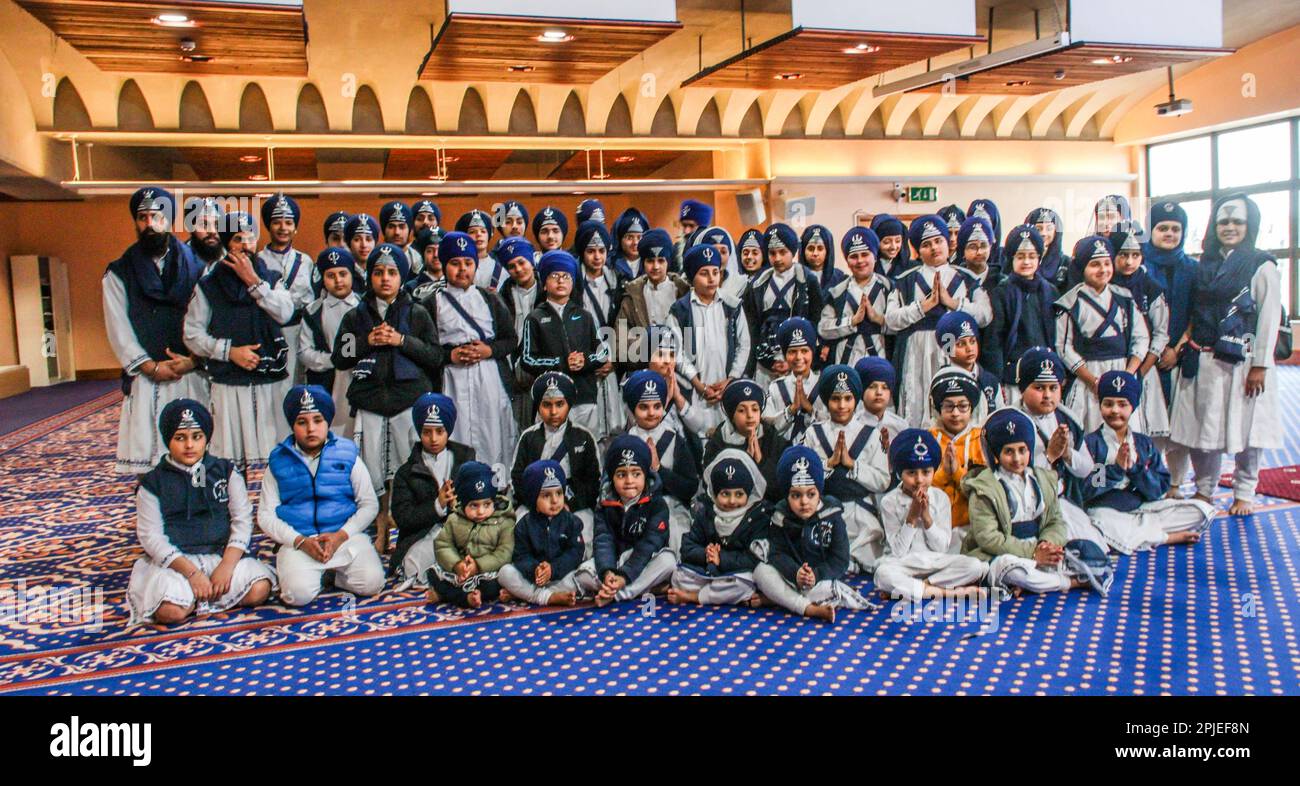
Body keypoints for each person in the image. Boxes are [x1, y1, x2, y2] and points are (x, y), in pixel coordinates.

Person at [1169, 192, 1282, 517]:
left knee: (1247, 430)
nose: (1229, 227)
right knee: (1204, 430)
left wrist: (1260, 365)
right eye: (1223, 221)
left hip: (1245, 363)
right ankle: (1205, 490)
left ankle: (1245, 491)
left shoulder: (1262, 265)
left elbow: (1269, 319)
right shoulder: (1204, 264)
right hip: (1205, 359)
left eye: (1237, 222)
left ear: (1250, 225)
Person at [332, 243, 441, 552]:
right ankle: (379, 525)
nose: (384, 279)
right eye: (378, 272)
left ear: (401, 276)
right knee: (372, 471)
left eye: (392, 272)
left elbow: (434, 356)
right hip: (370, 404)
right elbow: (341, 356)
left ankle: (406, 525)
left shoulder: (417, 312)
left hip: (408, 402)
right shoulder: (356, 317)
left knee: (407, 469)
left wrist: (401, 340)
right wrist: (366, 342)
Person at [127, 399, 276, 625]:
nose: (189, 445)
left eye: (196, 437)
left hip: (220, 555)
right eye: (180, 438)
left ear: (206, 438)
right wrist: (193, 575)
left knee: (259, 590)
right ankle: (195, 596)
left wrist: (227, 566)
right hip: (178, 563)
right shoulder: (153, 483)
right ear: (168, 440)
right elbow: (151, 537)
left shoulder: (225, 471)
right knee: (171, 613)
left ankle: (201, 597)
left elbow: (242, 520)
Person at [104, 186, 207, 474]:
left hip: (190, 373)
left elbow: (208, 318)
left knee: (195, 448)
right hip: (146, 376)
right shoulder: (118, 272)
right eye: (143, 217)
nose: (150, 224)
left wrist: (193, 361)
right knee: (150, 456)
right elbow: (118, 327)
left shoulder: (197, 266)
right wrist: (149, 366)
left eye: (157, 216)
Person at [183, 211, 294, 470]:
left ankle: (272, 510)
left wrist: (254, 283)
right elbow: (191, 334)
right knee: (230, 460)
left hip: (270, 381)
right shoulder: (208, 285)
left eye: (250, 237)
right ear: (225, 243)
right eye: (237, 238)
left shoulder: (271, 277)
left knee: (276, 456)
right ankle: (235, 510)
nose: (245, 245)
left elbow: (285, 313)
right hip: (229, 383)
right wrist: (228, 352)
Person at [257, 385, 384, 607]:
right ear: (292, 425)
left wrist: (340, 536)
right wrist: (299, 541)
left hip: (343, 538)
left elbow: (368, 504)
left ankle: (331, 574)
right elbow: (265, 516)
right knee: (296, 596)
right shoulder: (278, 461)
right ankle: (312, 572)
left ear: (327, 422)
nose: (311, 429)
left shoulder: (347, 453)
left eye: (318, 420)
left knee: (372, 583)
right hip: (300, 540)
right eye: (302, 422)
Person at [1080, 371, 1214, 553]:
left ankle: (1141, 534)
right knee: (1099, 524)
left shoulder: (1143, 443)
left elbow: (1159, 489)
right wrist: (1116, 469)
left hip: (1142, 508)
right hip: (1105, 512)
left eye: (1122, 404)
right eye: (1108, 404)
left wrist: (1136, 470)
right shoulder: (1092, 443)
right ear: (1100, 405)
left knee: (1200, 509)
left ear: (1132, 407)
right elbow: (1087, 490)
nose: (1115, 410)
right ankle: (1166, 537)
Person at [961, 407, 1091, 595]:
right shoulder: (984, 487)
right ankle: (1068, 583)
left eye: (1022, 450)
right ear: (996, 454)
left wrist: (1047, 545)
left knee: (1083, 555)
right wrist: (1033, 553)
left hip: (1039, 547)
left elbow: (1055, 521)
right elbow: (988, 538)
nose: (1017, 459)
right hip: (1000, 553)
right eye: (1008, 452)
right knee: (1015, 569)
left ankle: (1033, 581)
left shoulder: (1043, 479)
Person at [422, 231, 518, 469]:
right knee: (458, 432)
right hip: (451, 379)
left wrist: (489, 350)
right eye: (455, 263)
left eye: (468, 263)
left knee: (492, 434)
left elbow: (510, 339)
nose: (462, 269)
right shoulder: (431, 303)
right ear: (444, 266)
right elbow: (425, 349)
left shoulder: (490, 299)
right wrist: (449, 356)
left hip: (489, 378)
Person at [884, 214, 989, 427]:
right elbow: (891, 320)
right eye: (926, 244)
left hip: (953, 343)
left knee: (952, 397)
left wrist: (952, 303)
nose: (934, 248)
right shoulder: (906, 280)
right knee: (917, 400)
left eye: (938, 241)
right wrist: (923, 307)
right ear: (917, 250)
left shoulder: (966, 278)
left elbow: (985, 315)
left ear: (948, 244)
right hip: (917, 347)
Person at [752, 445, 875, 623]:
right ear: (786, 495)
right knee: (761, 572)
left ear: (820, 492)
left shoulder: (832, 516)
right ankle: (807, 607)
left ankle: (781, 600)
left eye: (811, 494)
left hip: (819, 579)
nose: (804, 502)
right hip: (791, 577)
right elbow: (777, 553)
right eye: (796, 495)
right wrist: (796, 573)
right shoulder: (780, 516)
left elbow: (840, 559)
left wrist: (815, 575)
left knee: (826, 589)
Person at [874, 428, 988, 602]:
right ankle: (949, 593)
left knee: (975, 566)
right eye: (911, 473)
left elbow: (942, 547)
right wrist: (912, 517)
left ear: (934, 471)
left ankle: (920, 587)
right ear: (899, 473)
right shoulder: (889, 501)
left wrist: (926, 518)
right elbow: (898, 551)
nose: (919, 480)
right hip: (906, 564)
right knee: (882, 574)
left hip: (936, 562)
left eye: (926, 472)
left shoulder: (940, 498)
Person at [1011, 347, 1107, 548]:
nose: (1047, 395)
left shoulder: (1068, 418)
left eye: (1053, 388)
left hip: (1060, 500)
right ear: (1022, 388)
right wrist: (1049, 456)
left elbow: (1087, 469)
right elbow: (1010, 476)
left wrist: (1067, 454)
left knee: (1091, 546)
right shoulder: (1011, 421)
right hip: (1024, 506)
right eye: (1039, 388)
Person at [799, 364, 891, 574]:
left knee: (872, 564)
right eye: (835, 399)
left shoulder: (871, 434)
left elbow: (883, 480)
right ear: (826, 400)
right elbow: (803, 478)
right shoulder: (814, 433)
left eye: (848, 399)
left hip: (861, 515)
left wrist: (853, 465)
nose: (842, 405)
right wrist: (828, 464)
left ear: (856, 400)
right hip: (825, 512)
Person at [1056, 235, 1150, 433]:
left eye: (1107, 263)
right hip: (1088, 378)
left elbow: (1140, 338)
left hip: (1121, 370)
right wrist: (1094, 381)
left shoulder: (1124, 297)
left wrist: (1128, 373)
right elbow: (1064, 348)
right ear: (1082, 268)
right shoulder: (1070, 302)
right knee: (1090, 432)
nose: (1103, 269)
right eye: (1095, 264)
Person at [575, 435, 679, 607]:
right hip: (614, 561)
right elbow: (603, 541)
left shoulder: (657, 504)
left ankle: (618, 594)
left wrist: (624, 577)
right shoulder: (604, 504)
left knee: (668, 561)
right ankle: (636, 588)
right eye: (621, 474)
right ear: (612, 477)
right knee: (582, 575)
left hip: (642, 562)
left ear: (646, 474)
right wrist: (608, 572)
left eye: (636, 474)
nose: (629, 481)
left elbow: (649, 545)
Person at [519, 250, 610, 440]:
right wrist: (561, 363)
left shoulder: (585, 316)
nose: (561, 281)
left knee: (587, 451)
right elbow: (527, 359)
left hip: (584, 397)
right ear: (544, 284)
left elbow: (602, 353)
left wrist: (584, 361)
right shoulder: (534, 318)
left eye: (566, 276)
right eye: (554, 276)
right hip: (549, 400)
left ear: (573, 283)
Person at [391, 392, 476, 587]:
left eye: (440, 431)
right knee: (414, 565)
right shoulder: (406, 473)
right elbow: (403, 517)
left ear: (449, 430)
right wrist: (438, 505)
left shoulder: (465, 459)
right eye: (427, 432)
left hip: (464, 531)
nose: (434, 439)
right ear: (419, 432)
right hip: (426, 534)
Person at [668, 449, 772, 607]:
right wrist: (707, 554)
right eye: (725, 494)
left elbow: (753, 558)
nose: (732, 501)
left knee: (745, 583)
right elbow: (687, 546)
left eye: (739, 494)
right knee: (678, 576)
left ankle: (695, 597)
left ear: (748, 494)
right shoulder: (707, 513)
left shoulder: (757, 516)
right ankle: (715, 595)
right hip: (709, 571)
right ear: (714, 494)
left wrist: (721, 558)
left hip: (737, 574)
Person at [1142, 200, 1198, 491]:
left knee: (1180, 425)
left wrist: (1176, 348)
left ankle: (1176, 484)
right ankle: (1150, 482)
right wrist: (1152, 350)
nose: (1170, 234)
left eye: (1176, 229)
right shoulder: (1137, 265)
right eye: (1162, 228)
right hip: (1145, 359)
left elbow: (1196, 314)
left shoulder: (1192, 268)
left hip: (1179, 357)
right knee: (1149, 424)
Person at [510, 371, 600, 550]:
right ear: (538, 406)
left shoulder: (583, 436)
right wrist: (537, 503)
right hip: (535, 503)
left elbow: (593, 482)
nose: (553, 411)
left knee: (585, 533)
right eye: (546, 405)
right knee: (518, 530)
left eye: (560, 404)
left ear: (569, 404)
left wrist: (568, 503)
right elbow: (517, 478)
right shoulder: (528, 437)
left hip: (573, 503)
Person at [667, 244, 751, 435]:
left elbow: (744, 344)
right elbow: (677, 352)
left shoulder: (732, 305)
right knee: (698, 437)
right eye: (704, 273)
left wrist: (731, 379)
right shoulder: (680, 310)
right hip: (695, 389)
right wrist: (698, 383)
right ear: (691, 277)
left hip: (726, 387)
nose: (712, 278)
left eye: (716, 272)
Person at [622, 369, 699, 553]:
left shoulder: (674, 439)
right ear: (633, 408)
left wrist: (658, 470)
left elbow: (690, 487)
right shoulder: (624, 443)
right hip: (633, 509)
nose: (651, 413)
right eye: (644, 407)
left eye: (657, 406)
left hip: (670, 507)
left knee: (676, 538)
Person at [983, 225, 1057, 406]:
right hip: (1013, 375)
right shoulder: (1002, 292)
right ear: (1011, 258)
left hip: (1045, 372)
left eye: (1032, 257)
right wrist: (996, 378)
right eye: (1020, 257)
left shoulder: (1050, 291)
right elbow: (995, 340)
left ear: (1040, 258)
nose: (1026, 262)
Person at [743, 223, 824, 388]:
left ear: (793, 252)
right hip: (765, 360)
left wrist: (797, 359)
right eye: (772, 253)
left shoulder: (808, 281)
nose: (777, 258)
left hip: (799, 358)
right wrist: (767, 360)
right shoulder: (757, 285)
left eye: (783, 252)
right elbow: (752, 327)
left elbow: (816, 321)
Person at [1110, 225, 1171, 440]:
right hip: (1110, 365)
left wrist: (1141, 371)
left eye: (1135, 255)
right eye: (1123, 255)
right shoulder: (1103, 285)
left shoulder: (1150, 287)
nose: (1129, 262)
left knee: (1142, 433)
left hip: (1142, 368)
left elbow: (1161, 332)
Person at [427, 461, 515, 609]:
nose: (481, 511)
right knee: (432, 574)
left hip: (486, 571)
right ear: (463, 502)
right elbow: (443, 545)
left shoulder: (504, 521)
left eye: (487, 504)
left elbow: (504, 553)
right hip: (461, 571)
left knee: (495, 583)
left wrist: (478, 566)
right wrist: (457, 565)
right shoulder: (455, 519)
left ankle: (452, 596)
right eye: (474, 505)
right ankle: (463, 597)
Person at [497, 460, 585, 607]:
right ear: (533, 498)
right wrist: (535, 569)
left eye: (559, 493)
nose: (555, 500)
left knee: (582, 576)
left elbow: (575, 553)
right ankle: (547, 597)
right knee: (505, 573)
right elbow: (521, 556)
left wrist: (553, 570)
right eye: (546, 495)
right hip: (535, 578)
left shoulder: (572, 522)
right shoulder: (524, 525)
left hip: (561, 576)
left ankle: (526, 595)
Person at [299, 248, 362, 438]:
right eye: (331, 275)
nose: (338, 280)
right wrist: (332, 360)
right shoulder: (313, 311)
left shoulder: (364, 307)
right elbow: (304, 351)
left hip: (358, 382)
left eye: (343, 274)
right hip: (327, 381)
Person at [572, 220, 624, 440]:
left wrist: (614, 358)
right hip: (584, 366)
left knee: (615, 426)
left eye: (601, 251)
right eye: (591, 251)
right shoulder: (573, 285)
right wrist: (592, 360)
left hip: (613, 362)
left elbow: (625, 327)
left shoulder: (619, 283)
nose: (597, 257)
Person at [257, 193, 318, 384]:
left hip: (299, 332)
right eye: (277, 222)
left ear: (295, 227)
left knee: (298, 383)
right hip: (268, 332)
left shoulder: (306, 261)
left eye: (289, 222)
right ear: (268, 225)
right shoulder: (257, 261)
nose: (283, 228)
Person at [703, 378, 791, 502]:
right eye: (742, 410)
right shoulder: (717, 442)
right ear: (731, 415)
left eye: (755, 409)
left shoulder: (772, 439)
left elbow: (780, 490)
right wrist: (745, 463)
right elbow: (711, 488)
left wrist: (761, 463)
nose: (750, 415)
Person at [614, 228, 688, 373]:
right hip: (643, 372)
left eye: (661, 260)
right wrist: (647, 345)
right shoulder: (631, 295)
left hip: (681, 372)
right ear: (643, 262)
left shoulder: (683, 293)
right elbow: (620, 346)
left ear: (668, 262)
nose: (655, 266)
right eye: (650, 261)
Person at [927, 367, 986, 542]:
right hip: (932, 528)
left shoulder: (983, 440)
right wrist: (943, 473)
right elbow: (916, 488)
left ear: (971, 407)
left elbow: (987, 492)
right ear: (939, 408)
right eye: (948, 406)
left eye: (962, 406)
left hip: (972, 529)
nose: (955, 413)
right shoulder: (927, 439)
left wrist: (958, 473)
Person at [819, 226, 889, 366]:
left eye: (865, 254)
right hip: (846, 364)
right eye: (854, 256)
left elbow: (899, 324)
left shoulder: (889, 288)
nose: (860, 261)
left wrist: (878, 319)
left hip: (880, 364)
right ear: (847, 260)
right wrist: (852, 321)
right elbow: (823, 328)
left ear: (875, 256)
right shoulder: (836, 292)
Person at [495, 235, 539, 428]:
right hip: (511, 370)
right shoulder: (500, 297)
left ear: (531, 261)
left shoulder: (548, 292)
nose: (518, 269)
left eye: (522, 262)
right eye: (512, 266)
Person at [761, 317, 825, 443]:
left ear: (812, 353)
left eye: (804, 351)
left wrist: (810, 409)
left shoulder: (824, 385)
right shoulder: (775, 388)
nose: (799, 357)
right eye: (792, 352)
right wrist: (792, 409)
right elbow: (766, 428)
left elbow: (832, 426)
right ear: (785, 355)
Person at [932, 311, 1000, 424]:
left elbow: (999, 416)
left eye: (972, 341)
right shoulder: (941, 381)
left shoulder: (990, 381)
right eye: (961, 344)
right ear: (947, 349)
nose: (969, 348)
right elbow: (932, 420)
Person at [854, 356, 908, 439]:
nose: (879, 392)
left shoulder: (900, 427)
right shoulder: (851, 426)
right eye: (872, 386)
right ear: (862, 390)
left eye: (885, 387)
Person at [457, 208, 507, 291]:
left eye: (483, 231)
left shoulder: (500, 268)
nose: (478, 235)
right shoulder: (456, 267)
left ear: (489, 235)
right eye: (472, 232)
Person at [1027, 207, 1071, 289]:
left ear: (1056, 232)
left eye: (1049, 228)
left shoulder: (1065, 262)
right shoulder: (1021, 259)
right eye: (1038, 229)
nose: (1043, 233)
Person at [800, 224, 845, 294]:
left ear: (828, 251)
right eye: (810, 248)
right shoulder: (795, 278)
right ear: (803, 251)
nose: (815, 253)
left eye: (820, 248)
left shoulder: (839, 278)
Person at [405, 227, 446, 301]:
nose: (436, 255)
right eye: (430, 251)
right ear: (423, 254)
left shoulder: (455, 284)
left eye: (440, 250)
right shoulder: (411, 287)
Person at [344, 213, 380, 296]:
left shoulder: (382, 271)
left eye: (368, 239)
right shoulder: (342, 272)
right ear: (349, 243)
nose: (364, 245)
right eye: (357, 239)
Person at [610, 207, 649, 280]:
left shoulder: (653, 264)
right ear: (619, 239)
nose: (635, 242)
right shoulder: (610, 265)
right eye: (629, 237)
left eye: (639, 237)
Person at [870, 214, 912, 282]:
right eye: (887, 242)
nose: (893, 247)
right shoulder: (866, 268)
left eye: (898, 241)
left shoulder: (912, 269)